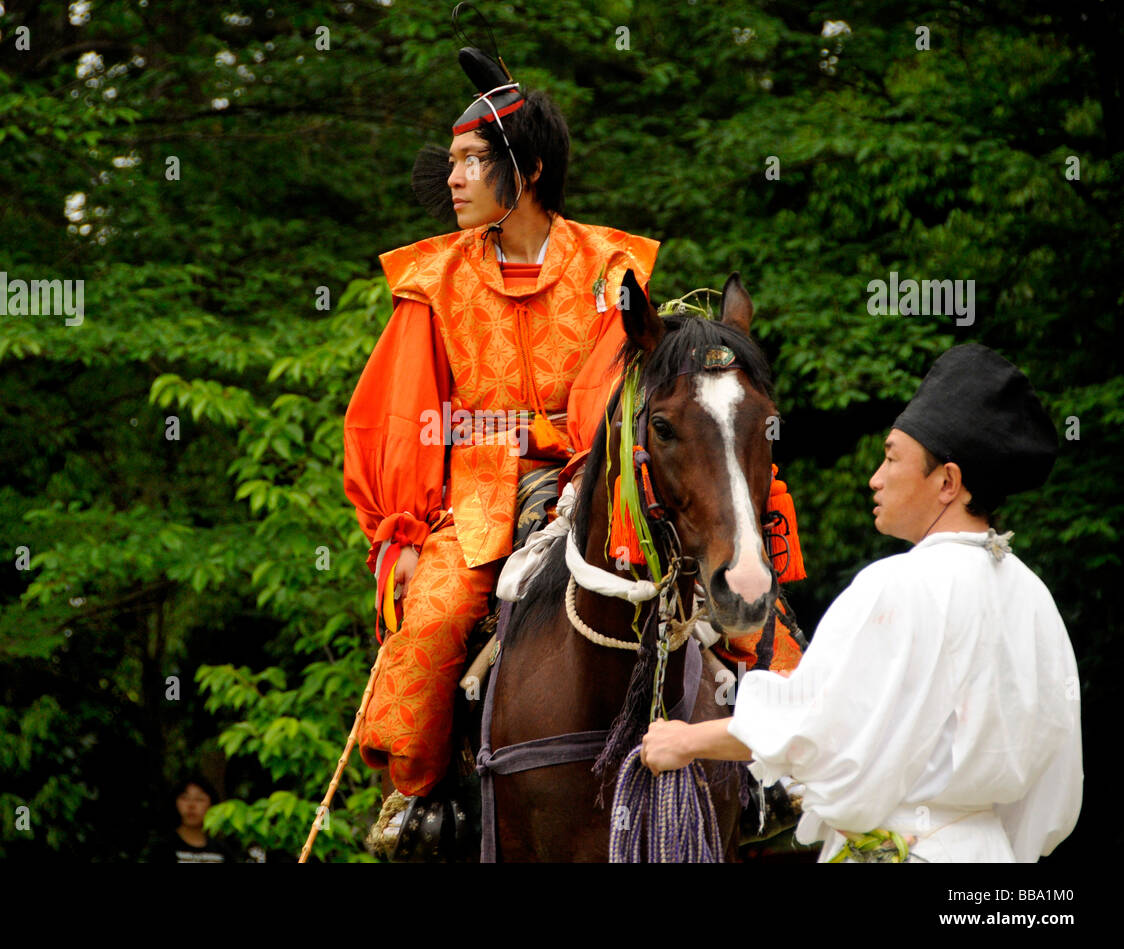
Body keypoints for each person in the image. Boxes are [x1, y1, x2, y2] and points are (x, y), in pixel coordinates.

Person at [342, 40, 662, 800]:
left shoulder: (609, 270)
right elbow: (400, 412)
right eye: (451, 161)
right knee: (433, 617)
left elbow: (621, 384)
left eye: (472, 160)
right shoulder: (435, 280)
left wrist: (587, 468)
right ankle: (416, 801)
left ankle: (769, 768)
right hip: (476, 496)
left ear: (529, 170)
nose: (452, 178)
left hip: (593, 474)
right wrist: (406, 532)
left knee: (713, 583)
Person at [641, 343, 1083, 862]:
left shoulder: (898, 583)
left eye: (892, 457)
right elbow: (1057, 778)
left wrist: (684, 740)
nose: (875, 477)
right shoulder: (1034, 595)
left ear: (948, 483)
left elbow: (811, 725)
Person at [147, 776, 240, 863]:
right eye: (185, 798)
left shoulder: (223, 853)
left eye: (199, 799)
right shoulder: (162, 849)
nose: (191, 805)